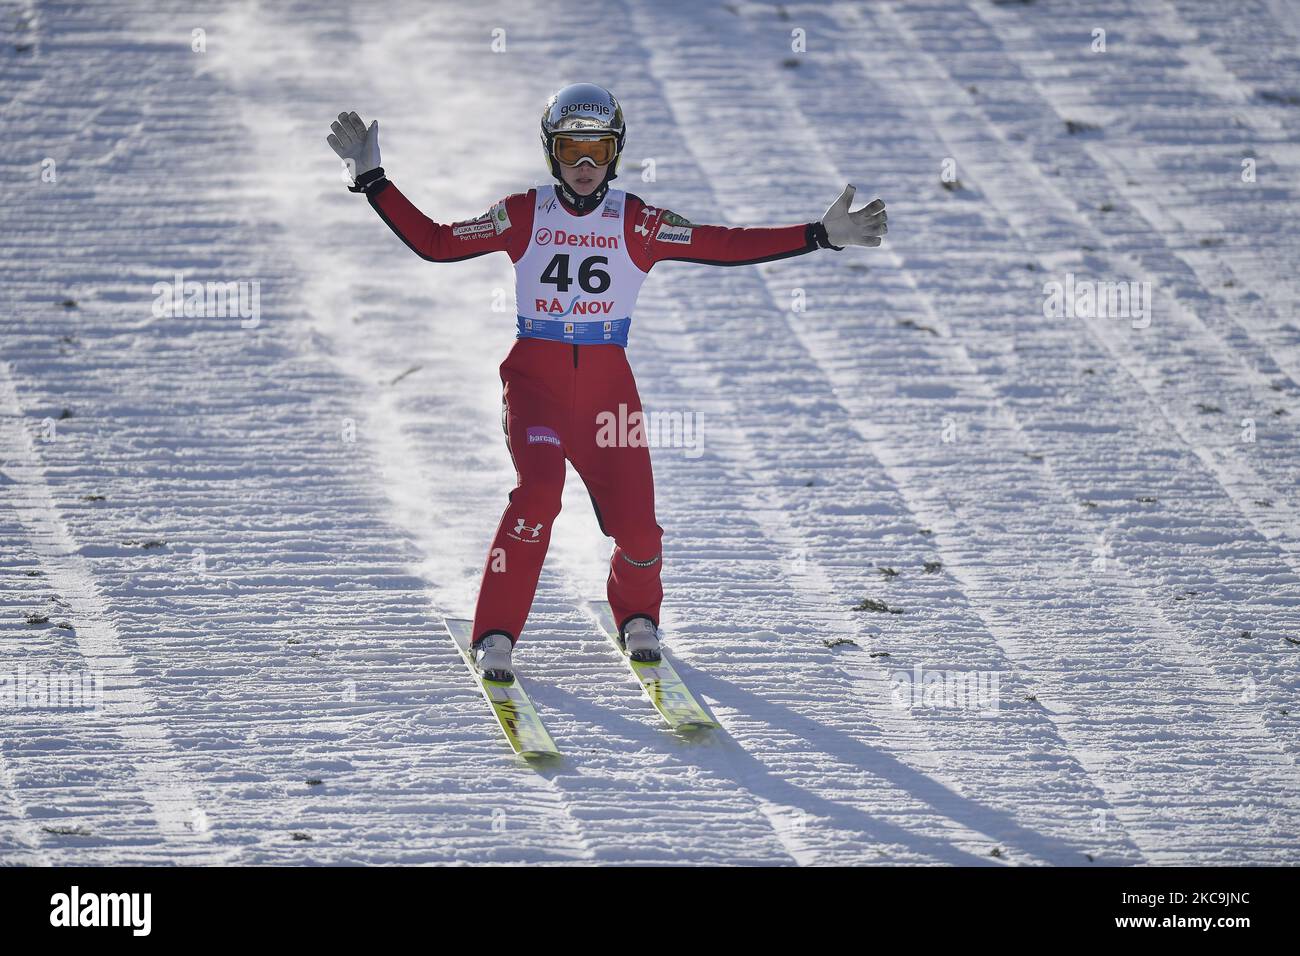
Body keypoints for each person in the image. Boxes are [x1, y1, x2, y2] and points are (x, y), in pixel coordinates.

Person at [327, 83, 886, 682]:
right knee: (538, 495)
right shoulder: (523, 213)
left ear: (616, 152)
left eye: (599, 149)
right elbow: (438, 244)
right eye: (572, 151)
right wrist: (373, 179)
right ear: (552, 153)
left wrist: (817, 235)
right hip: (535, 384)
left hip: (606, 394)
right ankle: (494, 632)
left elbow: (721, 243)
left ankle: (638, 616)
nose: (586, 166)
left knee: (640, 528)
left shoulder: (638, 222)